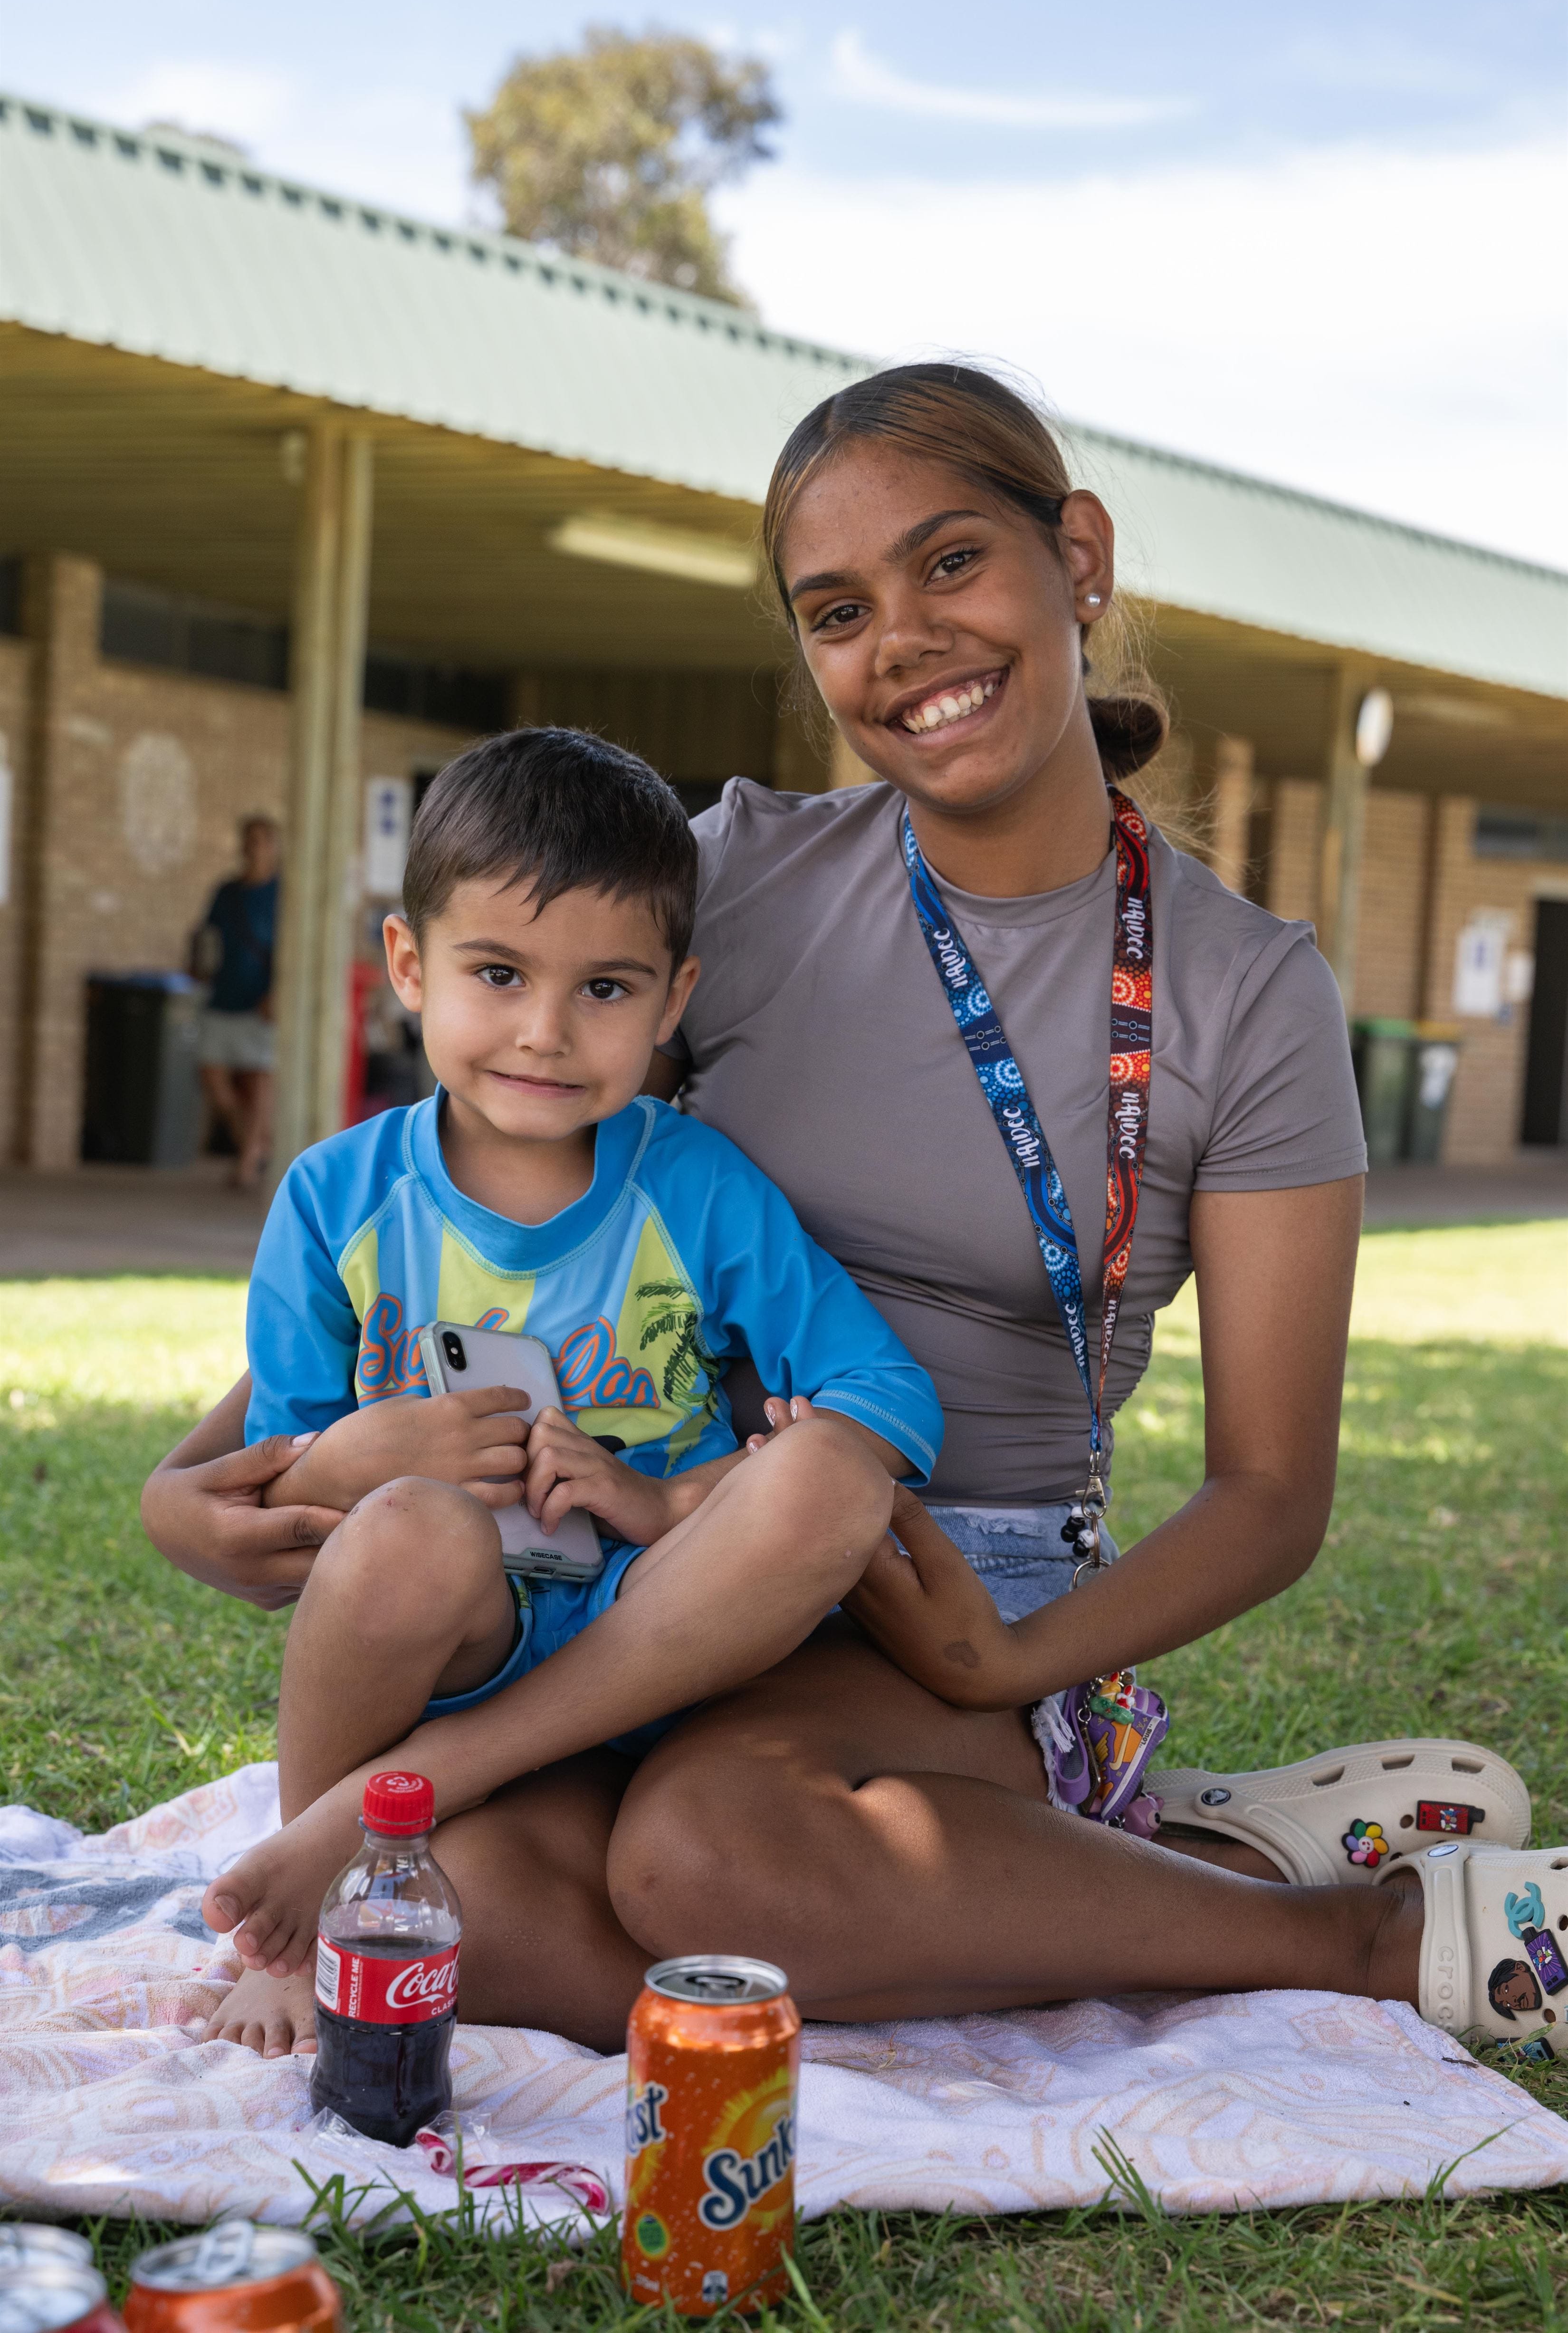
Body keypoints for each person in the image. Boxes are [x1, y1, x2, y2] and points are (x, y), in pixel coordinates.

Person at [144, 364, 1557, 2068]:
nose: (902, 639)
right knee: (468, 1909)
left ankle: (1345, 1928)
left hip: (941, 1579)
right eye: (837, 607)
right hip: (633, 1545)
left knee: (703, 1857)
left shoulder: (1245, 992)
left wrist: (1001, 1656)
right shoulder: (727, 877)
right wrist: (226, 1470)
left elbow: (1268, 1494)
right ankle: (1135, 1862)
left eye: (951, 564)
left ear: (1078, 561)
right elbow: (459, 1168)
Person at [198, 728, 942, 2001]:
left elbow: (886, 1397)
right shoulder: (335, 1201)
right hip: (464, 1635)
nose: (543, 1032)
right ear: (408, 965)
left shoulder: (693, 1186)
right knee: (402, 1537)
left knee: (829, 1475)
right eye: (496, 972)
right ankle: (326, 1891)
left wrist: (667, 1501)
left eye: (604, 988)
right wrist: (350, 1459)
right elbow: (285, 1518)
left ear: (672, 997)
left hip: (671, 1641)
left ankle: (421, 1799)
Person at [193, 815, 279, 1190]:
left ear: (273, 846)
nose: (253, 847)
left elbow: (292, 950)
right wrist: (198, 964)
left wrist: (277, 994)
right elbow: (205, 935)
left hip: (260, 1002)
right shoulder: (226, 892)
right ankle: (256, 1143)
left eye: (261, 840)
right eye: (249, 839)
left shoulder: (283, 893)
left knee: (260, 1079)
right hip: (223, 995)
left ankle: (247, 1163)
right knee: (212, 1075)